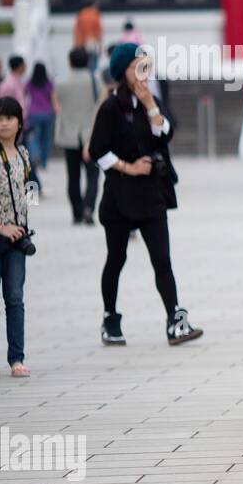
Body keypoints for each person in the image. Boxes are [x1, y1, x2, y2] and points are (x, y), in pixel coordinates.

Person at [90, 44, 202, 348]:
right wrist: (128, 167)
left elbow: (164, 135)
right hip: (119, 196)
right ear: (122, 72)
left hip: (152, 195)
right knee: (117, 258)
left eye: (146, 67)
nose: (143, 74)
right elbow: (97, 151)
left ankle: (175, 321)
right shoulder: (111, 107)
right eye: (137, 67)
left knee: (162, 259)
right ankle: (110, 319)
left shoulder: (150, 102)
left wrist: (151, 103)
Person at [0, 97, 34, 378]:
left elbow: (31, 187)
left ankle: (17, 358)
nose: (4, 123)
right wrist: (1, 225)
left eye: (9, 118)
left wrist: (27, 218)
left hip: (17, 236)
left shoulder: (24, 154)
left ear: (19, 122)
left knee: (15, 298)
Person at [54, 47, 101, 225]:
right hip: (90, 133)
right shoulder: (95, 80)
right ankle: (89, 207)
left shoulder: (61, 82)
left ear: (70, 61)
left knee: (73, 176)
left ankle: (77, 212)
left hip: (69, 134)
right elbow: (101, 102)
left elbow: (56, 104)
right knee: (93, 174)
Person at [73, 0, 104, 78]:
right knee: (93, 67)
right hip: (93, 43)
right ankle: (92, 83)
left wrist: (77, 45)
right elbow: (99, 32)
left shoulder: (80, 14)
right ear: (93, 5)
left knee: (84, 67)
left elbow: (77, 31)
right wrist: (100, 46)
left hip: (81, 44)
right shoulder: (95, 14)